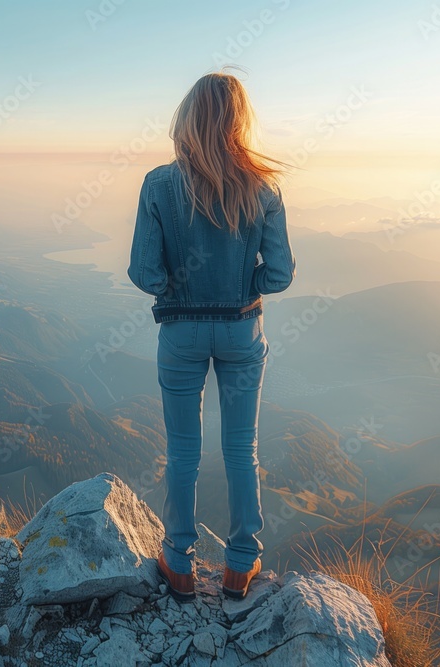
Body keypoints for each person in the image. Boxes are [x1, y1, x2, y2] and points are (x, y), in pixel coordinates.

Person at [127, 70, 295, 602]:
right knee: (241, 448)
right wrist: (247, 282)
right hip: (242, 329)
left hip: (180, 331)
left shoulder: (158, 184)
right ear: (238, 122)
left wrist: (177, 283)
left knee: (182, 453)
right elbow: (282, 273)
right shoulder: (263, 187)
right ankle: (240, 567)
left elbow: (145, 273)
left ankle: (178, 563)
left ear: (188, 117)